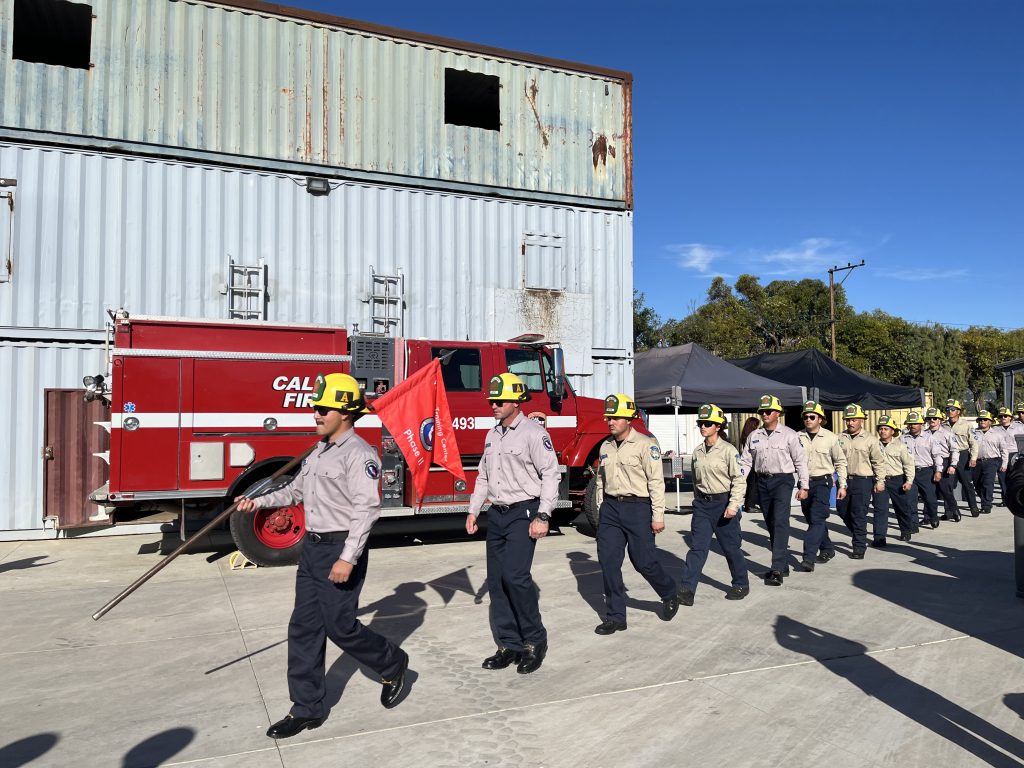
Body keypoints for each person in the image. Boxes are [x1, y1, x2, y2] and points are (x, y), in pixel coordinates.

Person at [236, 373, 409, 740]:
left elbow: (367, 510)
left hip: (339, 549)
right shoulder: (318, 452)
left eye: (322, 407)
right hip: (313, 549)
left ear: (344, 413)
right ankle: (307, 708)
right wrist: (257, 502)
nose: (315, 413)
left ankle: (393, 663)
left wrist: (348, 557)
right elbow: (294, 491)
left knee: (340, 627)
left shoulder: (361, 455)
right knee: (303, 628)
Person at [466, 373, 559, 673]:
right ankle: (508, 644)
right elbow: (483, 476)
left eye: (499, 400)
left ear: (516, 402)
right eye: (492, 400)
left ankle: (535, 640)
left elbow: (551, 474)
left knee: (516, 578)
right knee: (497, 582)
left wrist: (544, 515)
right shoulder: (492, 435)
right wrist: (473, 510)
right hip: (497, 514)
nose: (493, 404)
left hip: (524, 513)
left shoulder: (533, 433)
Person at [592, 393, 681, 634]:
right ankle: (616, 616)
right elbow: (600, 481)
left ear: (629, 418)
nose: (611, 422)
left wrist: (658, 515)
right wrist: (601, 507)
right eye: (609, 417)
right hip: (611, 508)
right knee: (609, 562)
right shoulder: (605, 446)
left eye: (616, 417)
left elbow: (656, 481)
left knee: (644, 562)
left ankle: (669, 592)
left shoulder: (645, 444)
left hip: (638, 507)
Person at [677, 404, 750, 603]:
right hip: (702, 505)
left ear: (718, 426)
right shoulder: (698, 451)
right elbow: (695, 481)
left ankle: (741, 583)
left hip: (723, 504)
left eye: (707, 423)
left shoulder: (728, 451)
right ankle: (687, 589)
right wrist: (696, 501)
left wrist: (734, 505)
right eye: (701, 423)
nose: (703, 427)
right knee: (697, 548)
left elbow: (739, 479)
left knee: (731, 548)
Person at [740, 394, 808, 586]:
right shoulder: (754, 436)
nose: (764, 414)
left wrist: (804, 485)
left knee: (779, 521)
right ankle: (783, 561)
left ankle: (776, 568)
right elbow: (746, 461)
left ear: (778, 413)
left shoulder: (790, 435)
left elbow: (800, 461)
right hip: (762, 481)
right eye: (762, 411)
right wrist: (738, 482)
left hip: (782, 481)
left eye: (768, 411)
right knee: (770, 522)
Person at [796, 400, 847, 571]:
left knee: (817, 518)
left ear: (820, 419)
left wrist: (842, 484)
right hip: (804, 483)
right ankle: (827, 548)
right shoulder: (797, 437)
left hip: (823, 482)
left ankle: (808, 558)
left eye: (812, 416)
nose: (808, 419)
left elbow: (840, 462)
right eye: (805, 417)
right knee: (812, 519)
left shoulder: (832, 438)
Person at [836, 404, 885, 558]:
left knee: (859, 513)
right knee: (842, 510)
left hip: (863, 481)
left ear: (861, 421)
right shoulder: (840, 438)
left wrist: (880, 481)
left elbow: (878, 462)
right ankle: (860, 533)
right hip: (844, 480)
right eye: (848, 420)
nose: (850, 423)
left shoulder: (870, 439)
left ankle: (859, 545)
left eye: (854, 420)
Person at [873, 415, 916, 543]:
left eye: (886, 428)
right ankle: (879, 537)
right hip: (880, 481)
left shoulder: (901, 446)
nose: (883, 431)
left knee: (902, 508)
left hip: (897, 480)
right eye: (881, 428)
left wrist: (909, 481)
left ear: (892, 431)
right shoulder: (874, 445)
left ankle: (905, 530)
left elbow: (908, 464)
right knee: (880, 509)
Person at [902, 410, 944, 529]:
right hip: (910, 473)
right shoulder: (903, 439)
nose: (912, 426)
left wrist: (938, 471)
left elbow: (937, 455)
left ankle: (933, 516)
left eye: (915, 423)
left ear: (921, 424)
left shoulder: (929, 438)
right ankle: (913, 524)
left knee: (930, 498)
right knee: (910, 500)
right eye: (910, 423)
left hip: (926, 472)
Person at [942, 398, 980, 517]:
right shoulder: (943, 425)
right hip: (948, 456)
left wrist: (973, 458)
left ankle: (973, 507)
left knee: (967, 483)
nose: (950, 411)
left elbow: (973, 442)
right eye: (947, 409)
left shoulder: (967, 425)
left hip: (963, 455)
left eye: (953, 409)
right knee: (947, 485)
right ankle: (948, 511)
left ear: (958, 411)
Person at [925, 407, 961, 522]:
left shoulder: (947, 434)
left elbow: (955, 450)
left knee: (945, 490)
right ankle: (928, 516)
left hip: (944, 462)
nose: (932, 420)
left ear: (940, 420)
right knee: (928, 491)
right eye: (930, 418)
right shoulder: (924, 434)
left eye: (935, 418)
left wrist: (953, 465)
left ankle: (954, 510)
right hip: (929, 463)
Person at [972, 410, 1010, 514]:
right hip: (977, 462)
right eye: (980, 419)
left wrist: (1004, 464)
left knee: (987, 483)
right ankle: (986, 498)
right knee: (977, 483)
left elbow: (1004, 450)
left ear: (990, 422)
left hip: (992, 461)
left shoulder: (997, 434)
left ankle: (986, 505)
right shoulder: (973, 433)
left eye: (985, 419)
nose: (982, 421)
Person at [995, 407, 1022, 504]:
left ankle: (1015, 498)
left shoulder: (1019, 427)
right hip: (1001, 455)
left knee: (1014, 478)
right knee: (1002, 479)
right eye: (1001, 416)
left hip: (1014, 454)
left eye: (1005, 416)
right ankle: (1005, 499)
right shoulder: (995, 429)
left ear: (1010, 417)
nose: (1003, 418)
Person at [740, 416, 762, 512]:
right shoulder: (752, 436)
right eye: (757, 426)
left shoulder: (745, 435)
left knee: (751, 485)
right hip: (752, 463)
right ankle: (750, 505)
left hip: (750, 463)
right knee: (752, 485)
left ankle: (751, 504)